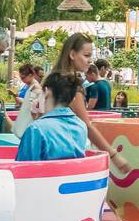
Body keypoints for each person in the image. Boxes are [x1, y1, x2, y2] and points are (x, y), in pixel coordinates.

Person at [53, 33, 128, 172]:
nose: (90, 60)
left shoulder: (53, 79)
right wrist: (114, 155)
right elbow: (87, 125)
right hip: (67, 150)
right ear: (72, 54)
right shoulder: (71, 85)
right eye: (86, 55)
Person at [16, 72, 88, 161]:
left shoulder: (36, 129)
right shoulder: (81, 126)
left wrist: (36, 120)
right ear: (72, 99)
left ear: (46, 92)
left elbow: (23, 168)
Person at [12, 66, 46, 139]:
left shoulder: (36, 88)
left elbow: (35, 107)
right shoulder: (31, 86)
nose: (22, 80)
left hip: (29, 121)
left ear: (31, 75)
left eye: (23, 78)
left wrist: (22, 101)